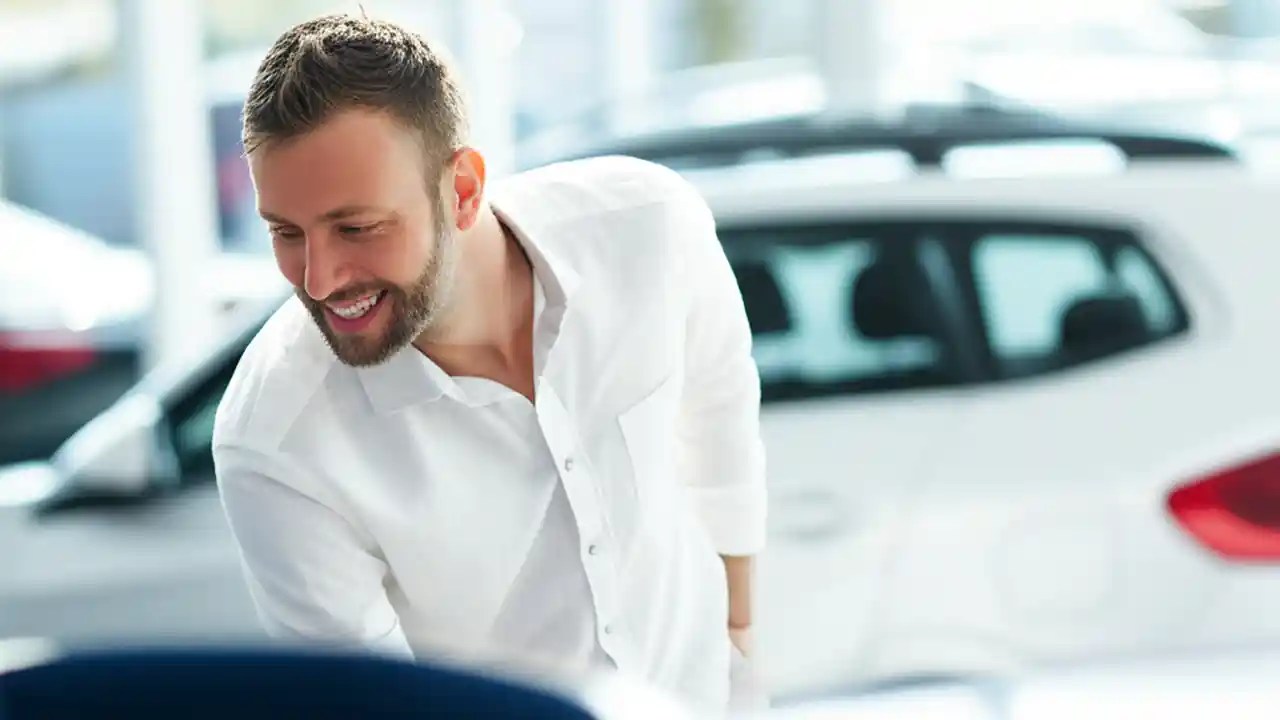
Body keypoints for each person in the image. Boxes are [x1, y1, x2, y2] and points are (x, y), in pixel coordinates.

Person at [212, 13, 768, 714]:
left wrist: (739, 640)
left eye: (357, 228)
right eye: (286, 233)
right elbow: (371, 705)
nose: (318, 279)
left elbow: (720, 427)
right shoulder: (275, 441)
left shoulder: (650, 227)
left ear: (464, 190)